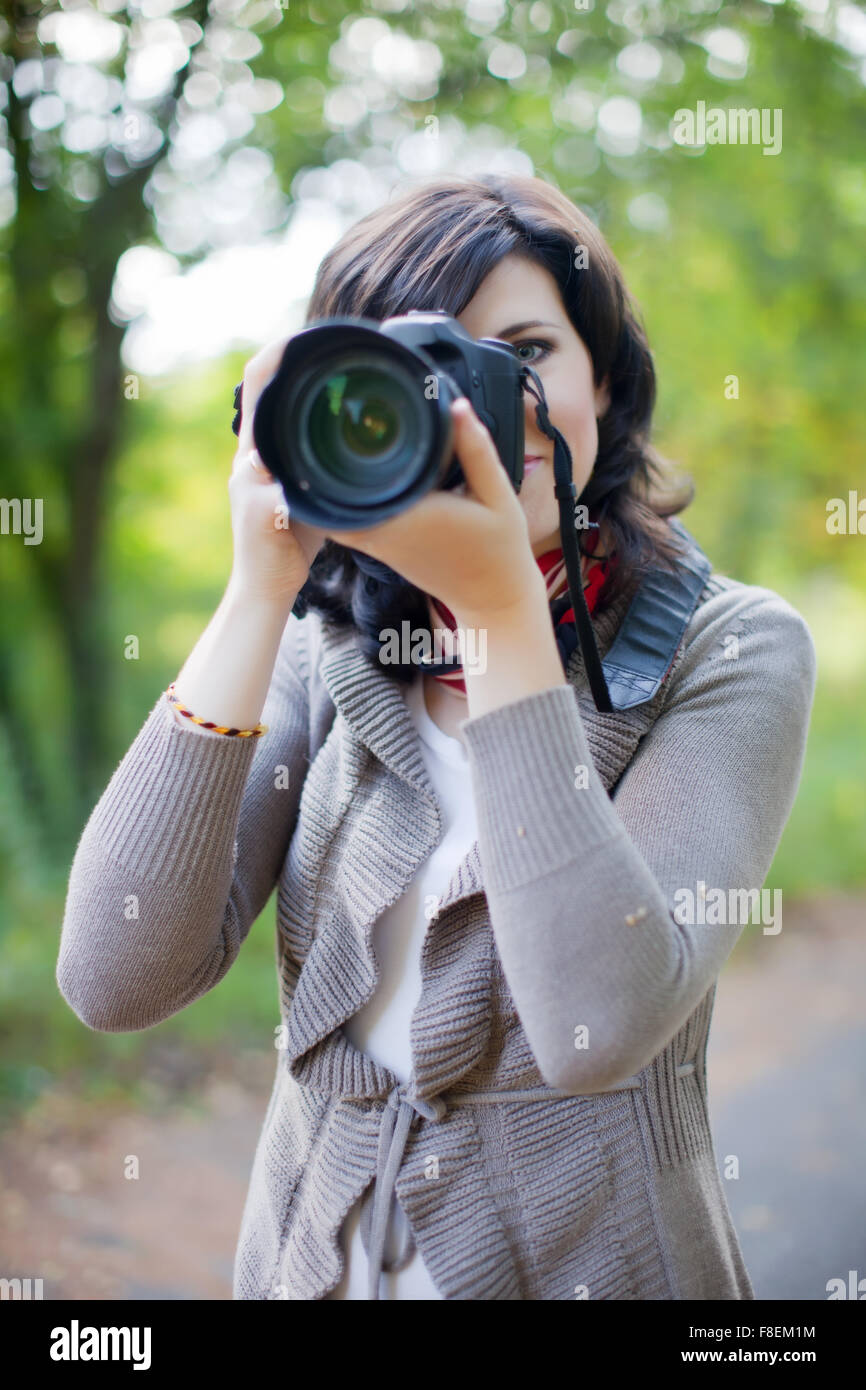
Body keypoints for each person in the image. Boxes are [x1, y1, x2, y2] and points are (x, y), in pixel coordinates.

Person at [57, 172, 817, 1301]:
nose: (479, 408)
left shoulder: (728, 648)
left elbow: (594, 1027)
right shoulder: (336, 644)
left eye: (523, 353)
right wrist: (259, 587)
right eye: (426, 372)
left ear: (602, 379)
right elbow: (115, 978)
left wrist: (501, 612)